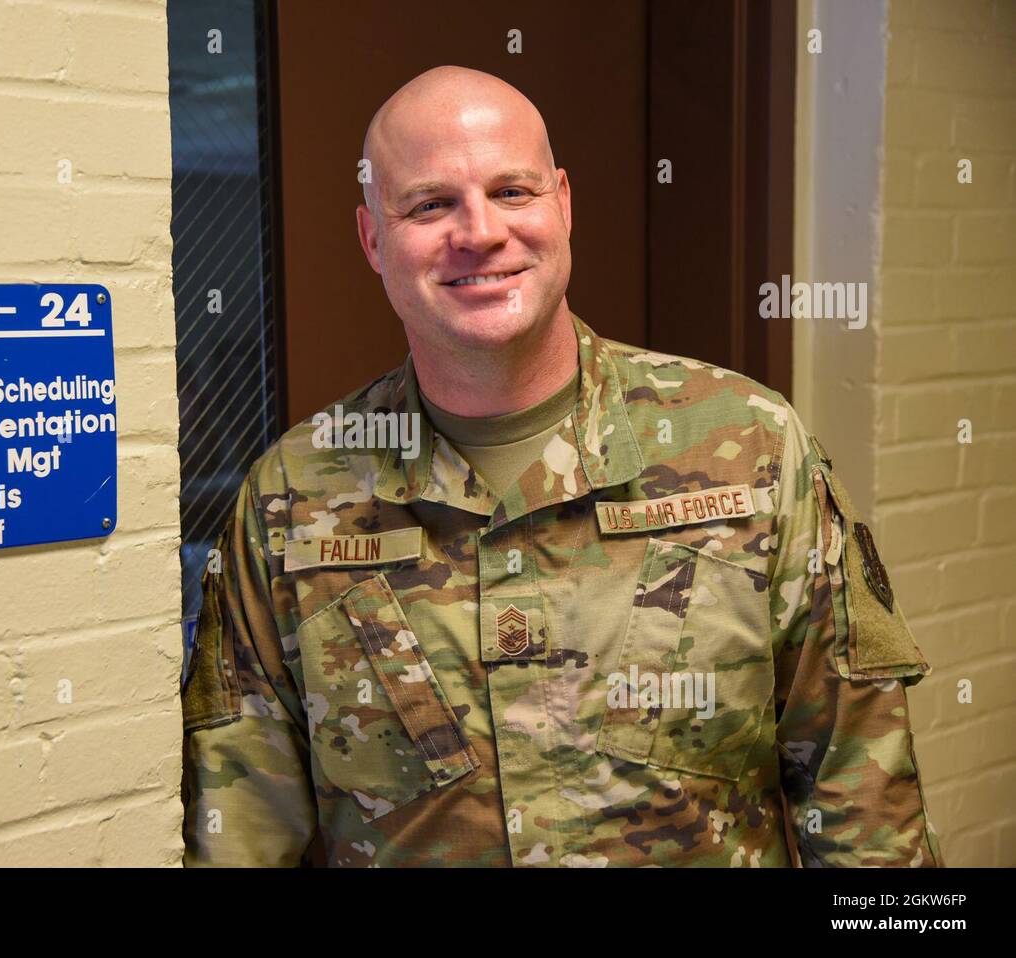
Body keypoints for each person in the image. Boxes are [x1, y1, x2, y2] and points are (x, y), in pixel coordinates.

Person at [180, 65, 943, 867]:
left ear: (563, 205)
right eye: (431, 204)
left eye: (513, 191)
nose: (478, 231)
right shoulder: (294, 498)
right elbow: (244, 833)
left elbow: (864, 807)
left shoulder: (749, 447)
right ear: (374, 239)